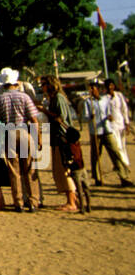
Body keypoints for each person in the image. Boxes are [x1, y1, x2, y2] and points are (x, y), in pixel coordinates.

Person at [0, 68, 40, 212]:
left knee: (14, 170)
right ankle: (33, 201)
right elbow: (34, 119)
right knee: (30, 168)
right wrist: (38, 138)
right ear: (15, 83)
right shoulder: (24, 97)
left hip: (8, 133)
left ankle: (18, 202)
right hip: (24, 132)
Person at [42, 77, 80, 213]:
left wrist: (45, 111)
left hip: (62, 137)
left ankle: (71, 201)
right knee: (61, 169)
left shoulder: (58, 98)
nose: (42, 87)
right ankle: (73, 198)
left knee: (64, 170)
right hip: (57, 137)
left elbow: (61, 118)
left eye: (43, 84)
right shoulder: (55, 98)